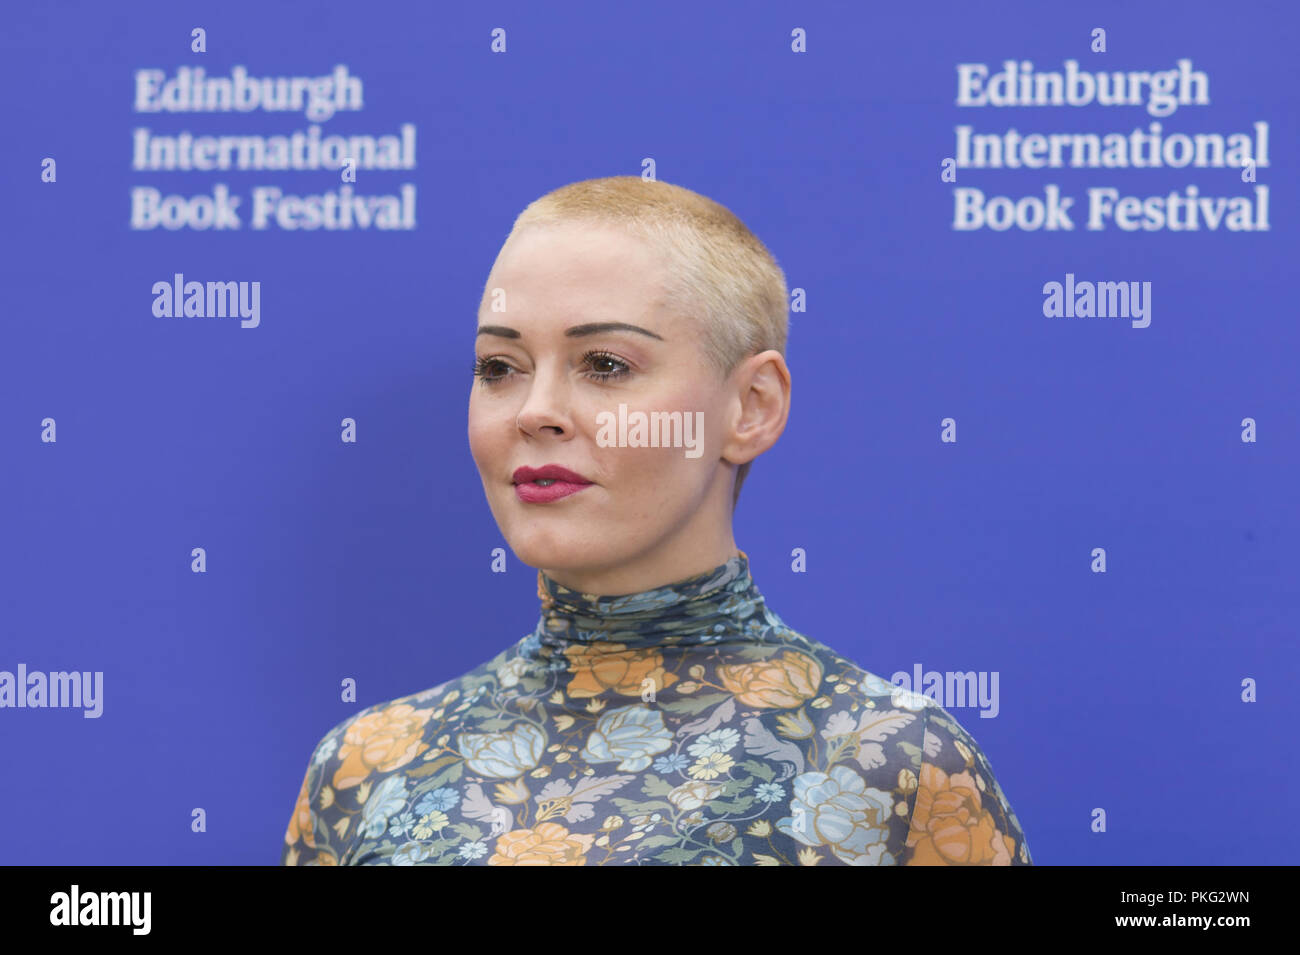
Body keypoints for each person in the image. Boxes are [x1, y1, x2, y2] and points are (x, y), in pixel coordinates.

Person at [280, 175, 1033, 866]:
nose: (537, 411)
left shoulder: (895, 762)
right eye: (498, 368)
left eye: (605, 364)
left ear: (751, 407)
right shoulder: (363, 767)